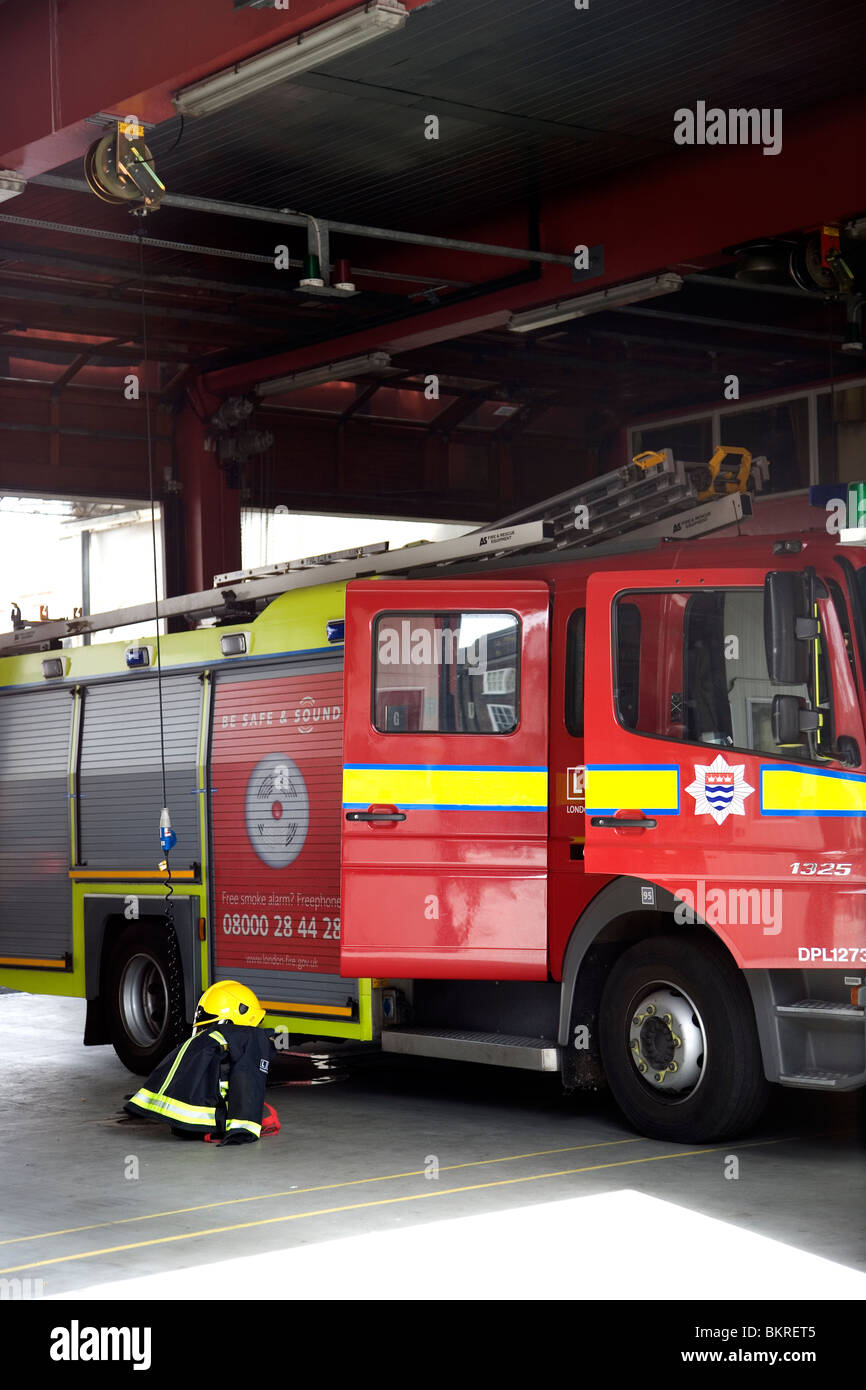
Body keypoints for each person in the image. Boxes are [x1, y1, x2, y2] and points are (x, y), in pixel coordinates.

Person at [125, 981, 279, 1144]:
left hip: (182, 1125)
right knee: (269, 1114)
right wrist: (242, 1131)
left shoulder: (199, 1043)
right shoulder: (248, 1039)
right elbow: (247, 1084)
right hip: (209, 1124)